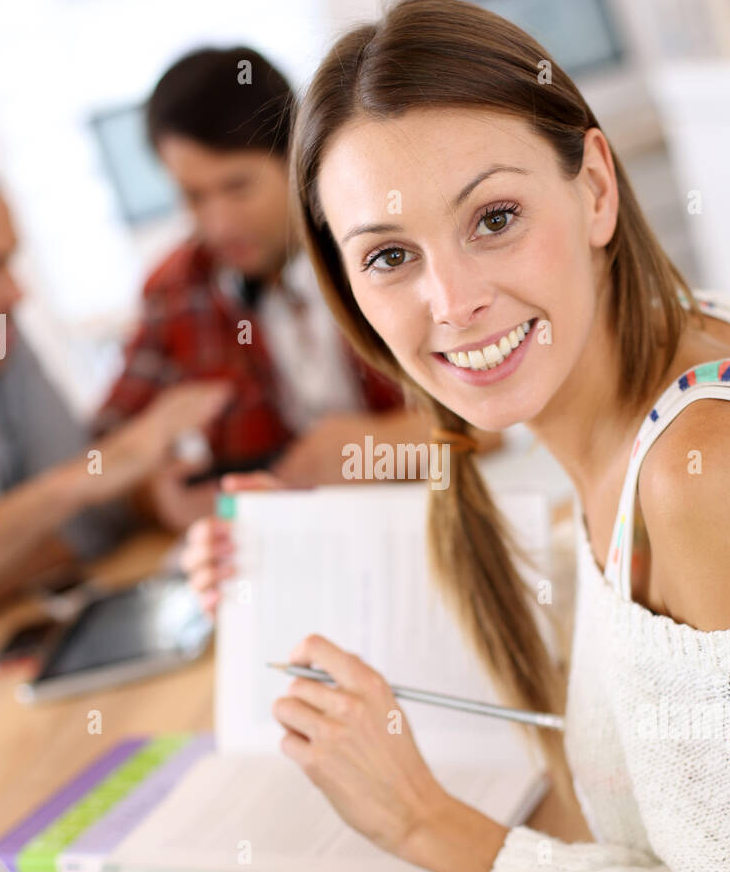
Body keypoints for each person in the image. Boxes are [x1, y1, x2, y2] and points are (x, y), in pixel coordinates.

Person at [184, 0, 730, 872]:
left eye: (490, 218)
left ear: (591, 185)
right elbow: (646, 657)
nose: (453, 299)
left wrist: (435, 829)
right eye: (389, 255)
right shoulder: (676, 346)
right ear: (347, 285)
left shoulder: (705, 471)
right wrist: (288, 559)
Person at [98, 45, 490, 531]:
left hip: (438, 525)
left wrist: (373, 450)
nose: (217, 224)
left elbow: (492, 419)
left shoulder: (387, 247)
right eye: (193, 196)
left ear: (297, 158)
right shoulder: (177, 288)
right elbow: (105, 451)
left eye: (237, 187)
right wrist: (155, 495)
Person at [0, 161, 229, 624]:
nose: (16, 293)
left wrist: (145, 493)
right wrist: (67, 488)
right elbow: (83, 487)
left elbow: (89, 524)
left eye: (10, 262)